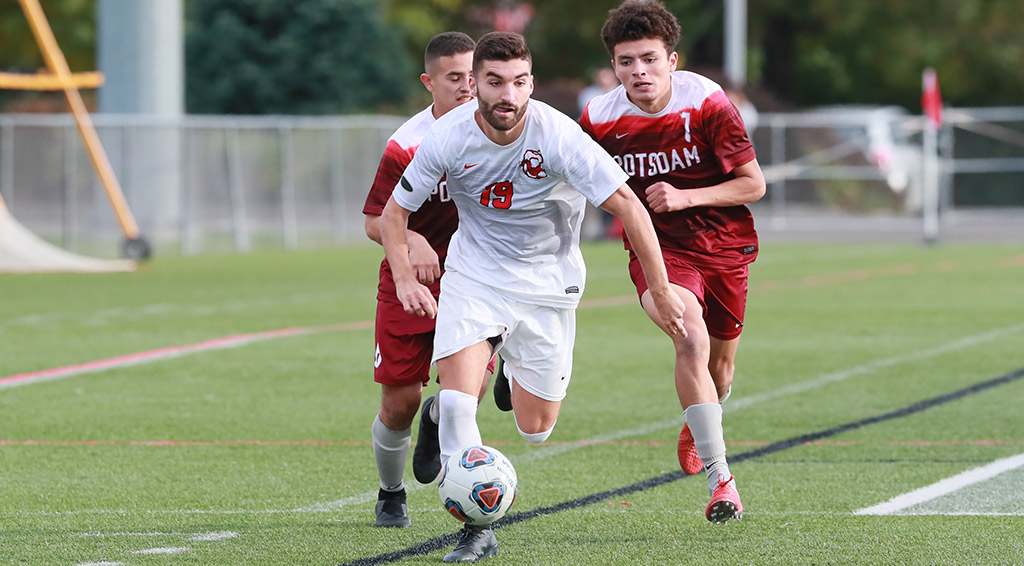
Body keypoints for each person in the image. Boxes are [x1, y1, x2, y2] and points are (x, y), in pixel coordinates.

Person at [381, 31, 686, 563]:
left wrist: (659, 288)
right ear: (474, 84)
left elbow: (631, 208)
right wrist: (406, 278)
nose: (508, 95)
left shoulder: (559, 136)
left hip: (549, 284)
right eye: (494, 82)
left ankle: (493, 377)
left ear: (531, 84)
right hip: (474, 276)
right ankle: (476, 529)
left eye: (519, 83)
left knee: (536, 428)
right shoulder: (448, 135)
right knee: (458, 403)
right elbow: (393, 213)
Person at [579, 0, 766, 524]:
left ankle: (698, 418)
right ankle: (721, 481)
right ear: (613, 67)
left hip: (724, 245)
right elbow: (561, 175)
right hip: (659, 251)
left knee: (721, 371)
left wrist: (687, 196)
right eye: (625, 62)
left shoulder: (706, 100)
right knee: (690, 338)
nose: (638, 71)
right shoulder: (598, 115)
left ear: (672, 61)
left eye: (648, 59)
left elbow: (754, 184)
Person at [362, 31, 495, 529]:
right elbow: (376, 220)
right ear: (429, 82)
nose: (466, 88)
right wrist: (412, 241)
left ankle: (444, 418)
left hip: (476, 278)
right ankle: (390, 492)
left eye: (473, 76)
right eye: (454, 77)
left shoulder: (505, 130)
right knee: (399, 405)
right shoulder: (408, 142)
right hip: (409, 279)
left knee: (468, 388)